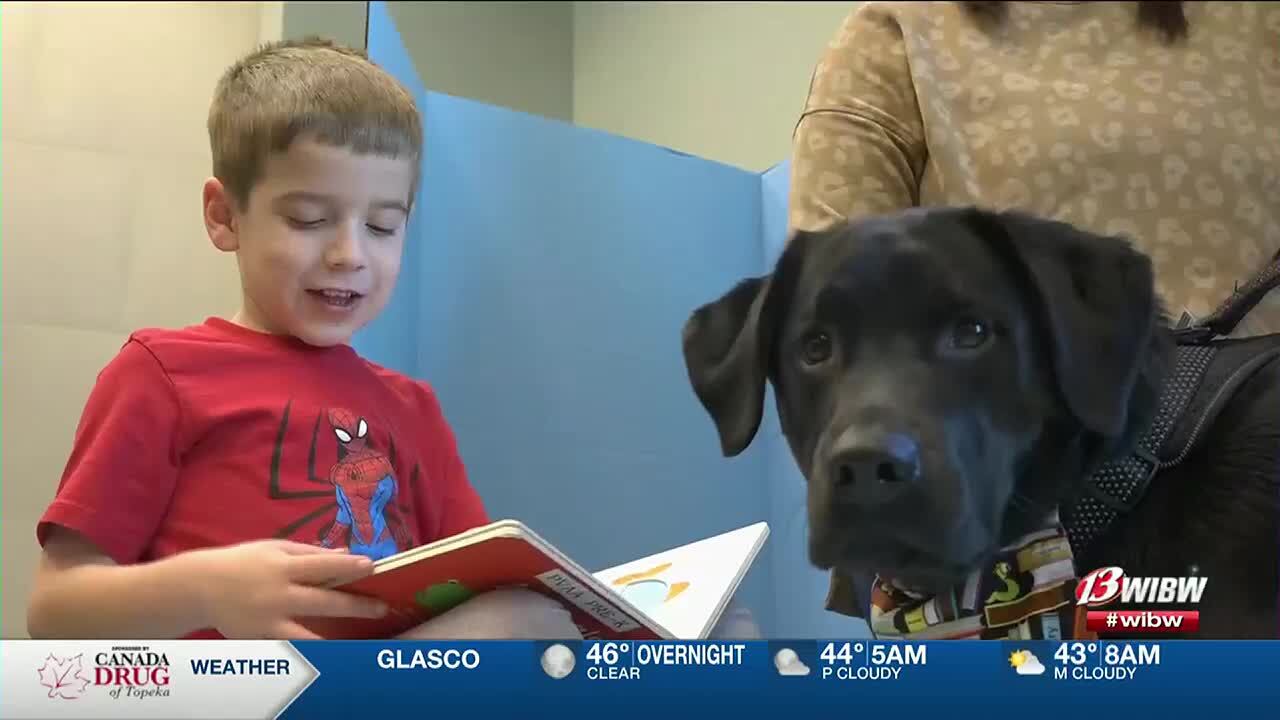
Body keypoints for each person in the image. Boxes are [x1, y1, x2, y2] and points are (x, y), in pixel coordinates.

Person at [25, 37, 583, 641]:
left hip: (378, 682)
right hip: (234, 693)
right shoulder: (162, 373)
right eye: (309, 220)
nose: (350, 255)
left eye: (382, 226)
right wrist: (206, 591)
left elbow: (472, 581)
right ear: (224, 216)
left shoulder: (413, 409)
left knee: (532, 621)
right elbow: (56, 609)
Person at [787, 1, 1280, 620]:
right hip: (1012, 545)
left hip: (1253, 518)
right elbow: (834, 307)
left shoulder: (1259, 21)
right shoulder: (900, 31)